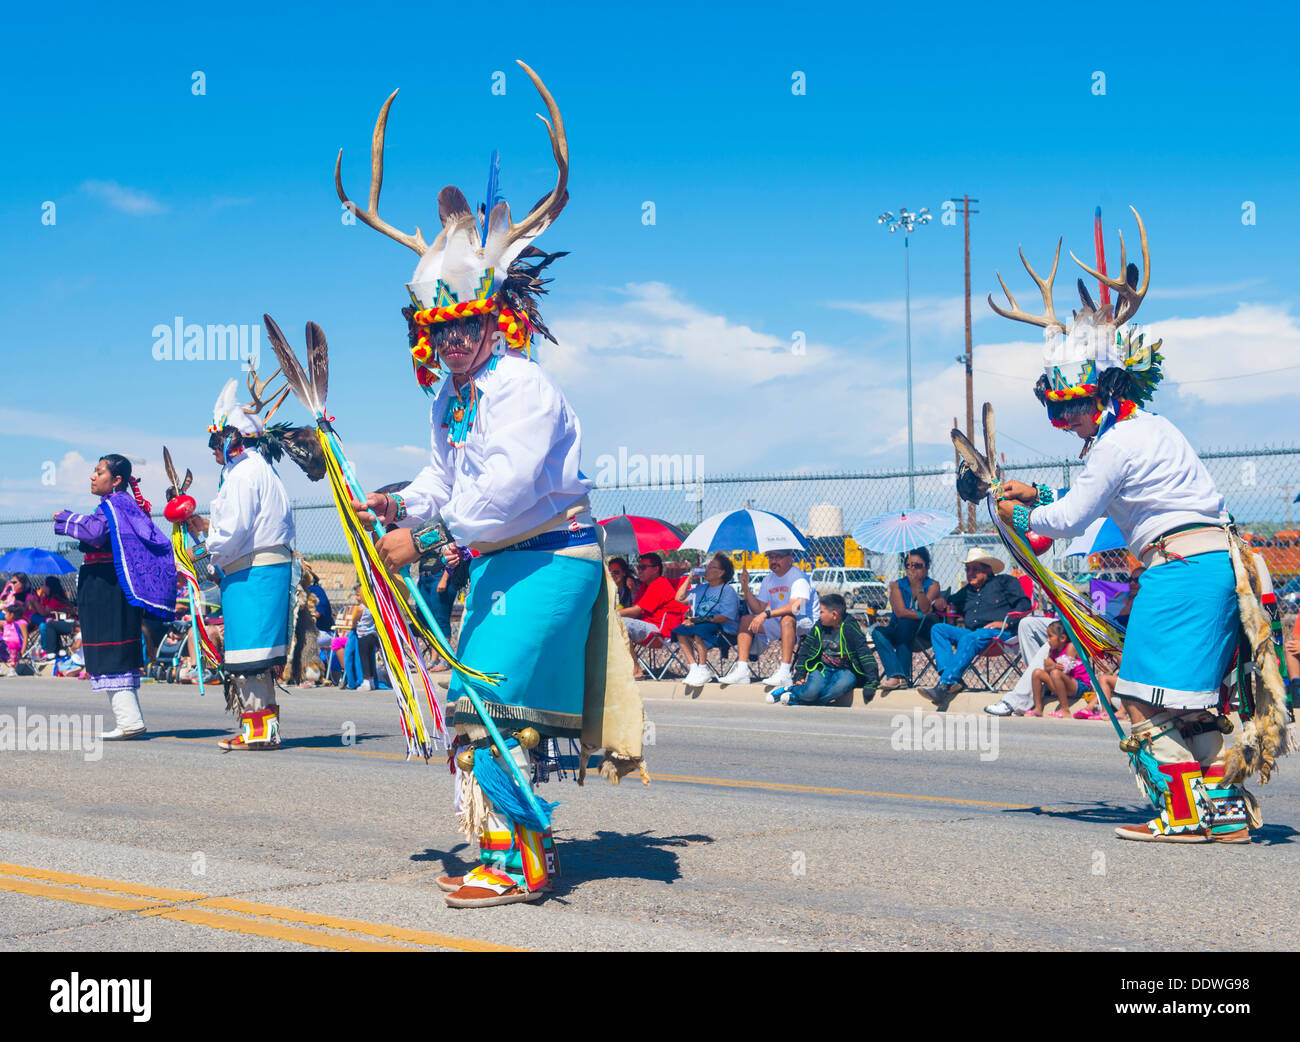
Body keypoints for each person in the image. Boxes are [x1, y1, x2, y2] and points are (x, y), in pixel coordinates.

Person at [340, 62, 644, 908]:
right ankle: (519, 851)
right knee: (488, 709)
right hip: (501, 562)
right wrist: (402, 505)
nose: (453, 343)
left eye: (465, 325)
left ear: (494, 316)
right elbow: (447, 478)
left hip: (551, 558)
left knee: (481, 707)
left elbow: (508, 489)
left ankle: (517, 862)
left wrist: (429, 538)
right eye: (439, 331)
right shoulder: (453, 397)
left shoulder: (522, 388)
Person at [988, 206, 1278, 842]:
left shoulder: (1114, 445)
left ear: (1101, 394)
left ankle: (1180, 818)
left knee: (1138, 698)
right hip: (1216, 566)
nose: (1070, 423)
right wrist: (1038, 489)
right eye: (1061, 413)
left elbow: (1067, 518)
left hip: (1182, 574)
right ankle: (1223, 820)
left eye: (1075, 409)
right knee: (1193, 707)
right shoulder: (1153, 428)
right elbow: (1119, 496)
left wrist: (1019, 510)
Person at [187, 372, 316, 751]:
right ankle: (262, 731)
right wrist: (206, 533)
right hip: (258, 569)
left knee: (251, 657)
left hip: (253, 572)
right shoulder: (257, 471)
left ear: (234, 438)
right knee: (253, 656)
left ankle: (259, 734)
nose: (212, 448)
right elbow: (242, 527)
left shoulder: (244, 474)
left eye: (216, 439)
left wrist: (210, 556)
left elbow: (234, 532)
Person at [53, 455, 177, 738]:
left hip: (109, 589)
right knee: (114, 649)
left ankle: (129, 721)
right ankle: (128, 718)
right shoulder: (121, 506)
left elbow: (95, 533)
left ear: (116, 479)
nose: (92, 477)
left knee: (112, 649)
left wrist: (64, 518)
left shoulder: (115, 505)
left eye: (98, 472)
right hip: (108, 587)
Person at [921, 548, 1030, 708]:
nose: (969, 573)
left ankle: (944, 686)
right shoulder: (967, 591)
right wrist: (940, 600)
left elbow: (1024, 605)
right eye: (967, 569)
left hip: (1000, 635)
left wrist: (1006, 623)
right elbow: (949, 600)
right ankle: (951, 679)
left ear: (988, 570)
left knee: (971, 637)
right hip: (973, 636)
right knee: (938, 629)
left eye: (975, 569)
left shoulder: (1005, 582)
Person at [720, 548, 818, 689]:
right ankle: (742, 670)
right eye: (770, 557)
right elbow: (758, 608)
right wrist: (745, 585)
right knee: (746, 620)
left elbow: (795, 608)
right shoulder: (768, 579)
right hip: (781, 621)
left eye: (778, 557)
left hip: (805, 623)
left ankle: (785, 672)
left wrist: (766, 614)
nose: (773, 561)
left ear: (790, 559)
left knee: (787, 618)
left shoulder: (799, 577)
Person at [769, 593, 877, 706]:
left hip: (846, 669)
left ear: (834, 615)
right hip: (822, 667)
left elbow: (864, 652)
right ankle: (790, 690)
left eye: (822, 612)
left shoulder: (850, 627)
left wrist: (872, 681)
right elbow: (806, 649)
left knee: (839, 689)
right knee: (811, 691)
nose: (819, 615)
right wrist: (800, 674)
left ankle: (805, 701)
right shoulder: (819, 626)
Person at [872, 547, 941, 690]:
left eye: (917, 566)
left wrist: (917, 587)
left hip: (922, 632)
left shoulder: (933, 585)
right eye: (909, 566)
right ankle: (898, 675)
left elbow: (923, 607)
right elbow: (900, 612)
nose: (912, 569)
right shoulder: (897, 585)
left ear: (927, 567)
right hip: (897, 629)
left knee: (906, 623)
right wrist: (921, 614)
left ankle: (900, 677)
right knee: (878, 632)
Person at [673, 553, 741, 686]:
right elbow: (679, 598)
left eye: (711, 567)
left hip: (722, 628)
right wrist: (689, 578)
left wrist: (698, 621)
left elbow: (726, 616)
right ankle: (694, 668)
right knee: (680, 630)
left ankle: (703, 669)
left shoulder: (727, 590)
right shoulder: (701, 588)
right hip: (701, 622)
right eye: (706, 566)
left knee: (699, 630)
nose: (706, 569)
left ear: (721, 572)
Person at [1026, 621, 1091, 717]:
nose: (1047, 640)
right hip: (1063, 683)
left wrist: (1052, 666)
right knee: (1037, 673)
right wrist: (1052, 666)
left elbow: (1065, 669)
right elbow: (1046, 667)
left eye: (1050, 636)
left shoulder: (1071, 647)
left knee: (1055, 673)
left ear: (1062, 638)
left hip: (1080, 685)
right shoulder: (1053, 650)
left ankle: (1065, 709)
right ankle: (1038, 708)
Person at [618, 553, 678, 644]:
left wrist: (612, 613)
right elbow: (634, 612)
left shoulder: (660, 583)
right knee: (616, 624)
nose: (639, 571)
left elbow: (636, 611)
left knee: (620, 624)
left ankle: (628, 658)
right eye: (638, 567)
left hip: (661, 631)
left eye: (643, 567)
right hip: (648, 626)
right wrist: (633, 590)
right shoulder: (645, 585)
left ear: (655, 569)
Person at [0, 605, 28, 675]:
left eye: (6, 614)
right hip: (5, 645)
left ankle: (12, 669)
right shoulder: (5, 623)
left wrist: (23, 651)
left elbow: (25, 637)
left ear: (12, 615)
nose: (4, 616)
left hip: (15, 646)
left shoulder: (21, 623)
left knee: (12, 645)